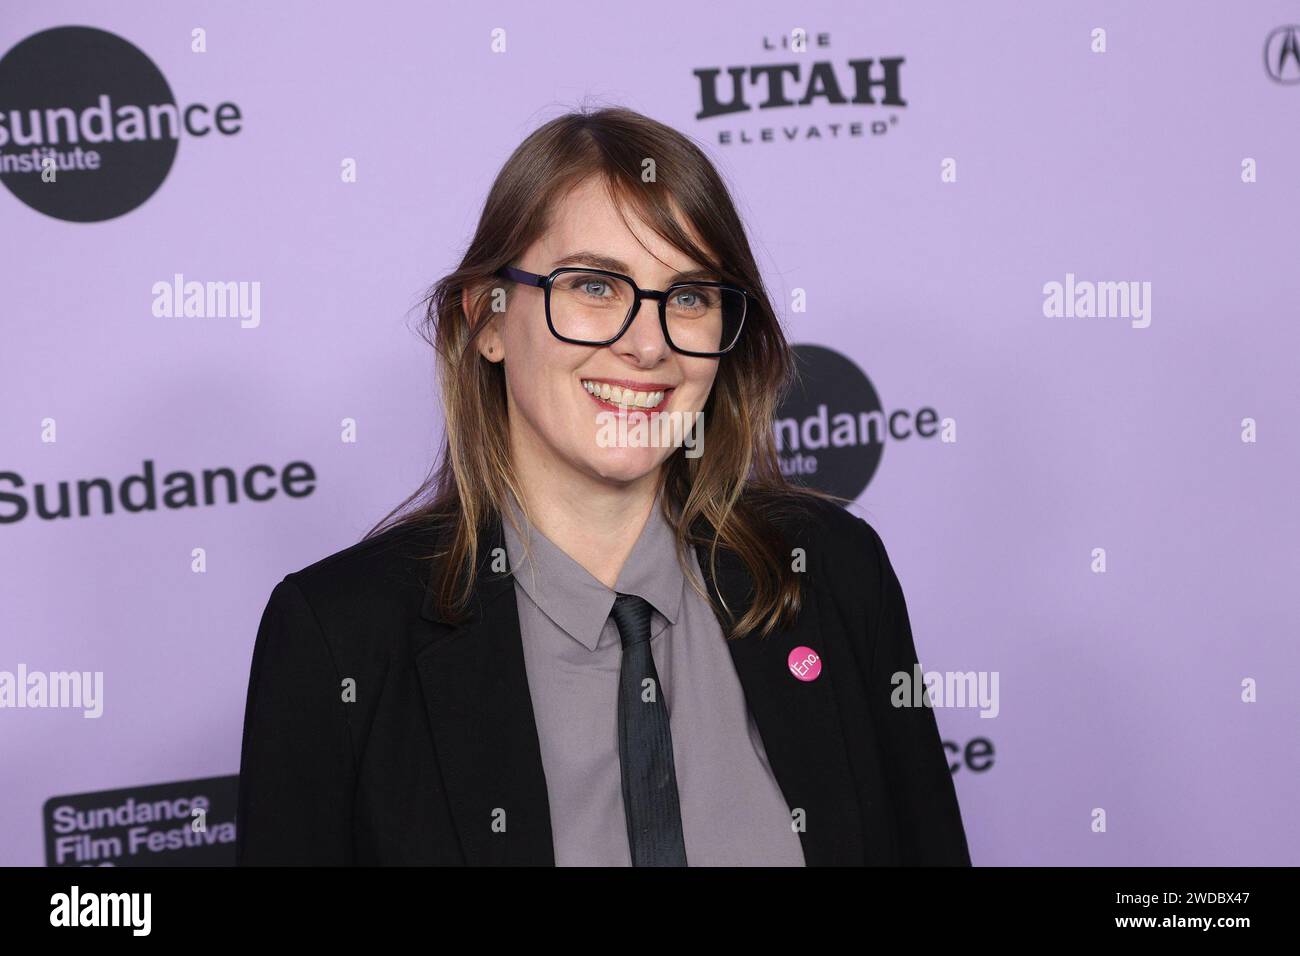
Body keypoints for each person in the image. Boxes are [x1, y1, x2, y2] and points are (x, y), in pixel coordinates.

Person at [235, 105, 971, 866]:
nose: (646, 345)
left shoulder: (830, 573)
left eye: (688, 296)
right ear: (487, 318)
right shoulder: (340, 639)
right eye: (594, 286)